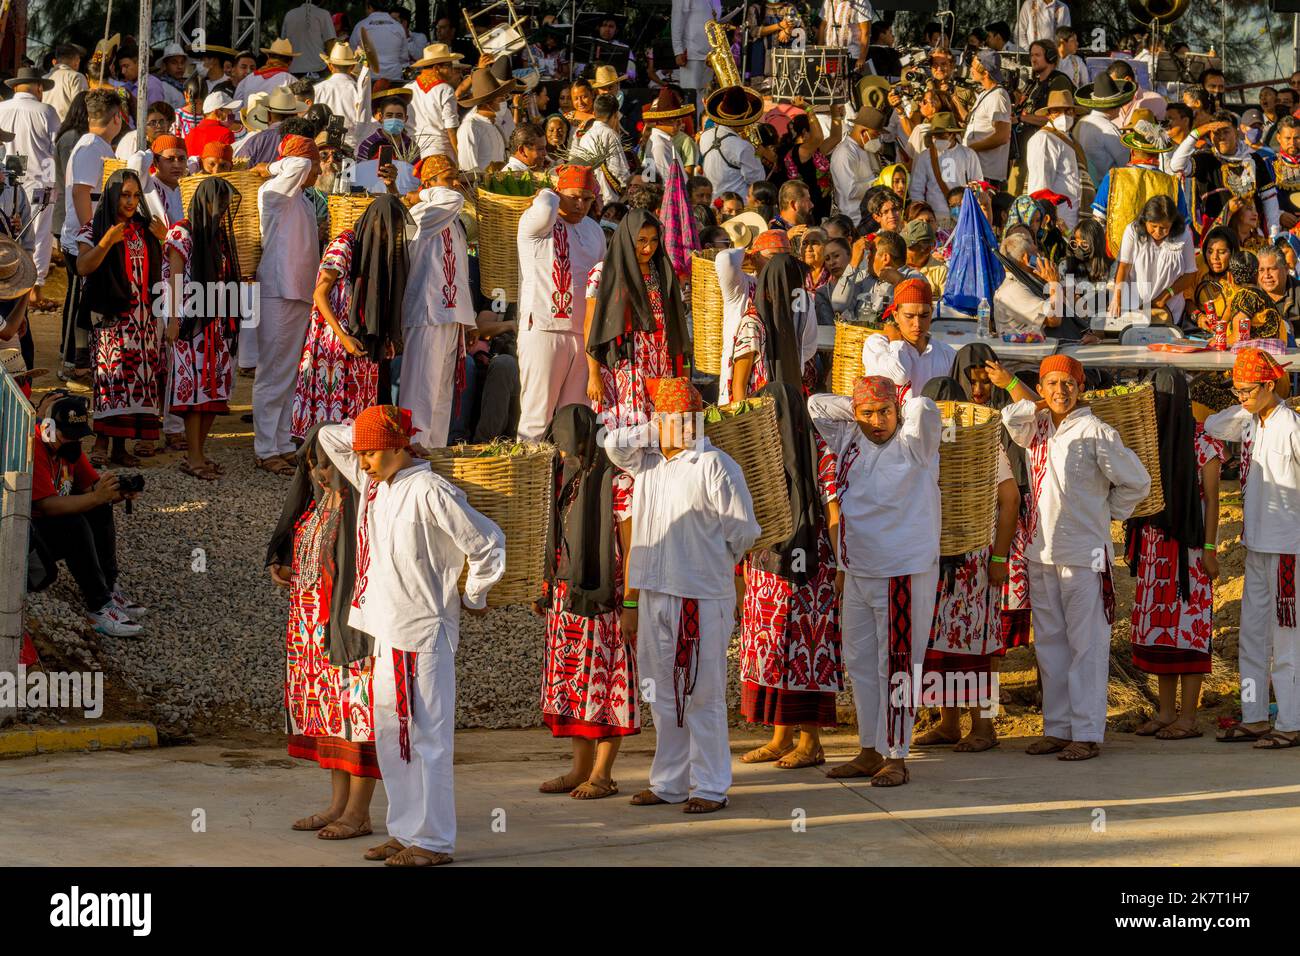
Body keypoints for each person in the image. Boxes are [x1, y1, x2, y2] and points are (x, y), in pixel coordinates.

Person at [315, 405, 505, 865]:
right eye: (361, 454)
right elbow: (327, 436)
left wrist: (473, 596)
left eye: (372, 453)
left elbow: (487, 543)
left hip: (425, 630)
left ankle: (435, 842)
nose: (362, 463)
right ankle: (403, 832)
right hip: (386, 629)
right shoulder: (376, 485)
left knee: (430, 740)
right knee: (391, 736)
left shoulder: (430, 489)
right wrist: (371, 435)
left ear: (400, 448)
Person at [603, 377, 760, 812]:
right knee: (661, 691)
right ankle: (669, 782)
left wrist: (703, 558)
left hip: (700, 595)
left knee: (701, 692)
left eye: (692, 418)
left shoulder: (715, 465)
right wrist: (654, 431)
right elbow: (613, 445)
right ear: (658, 421)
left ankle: (710, 786)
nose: (687, 427)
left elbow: (742, 532)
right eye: (676, 419)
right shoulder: (647, 462)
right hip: (654, 591)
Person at [1000, 355, 1150, 761]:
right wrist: (1037, 403)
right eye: (1051, 384)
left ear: (1080, 388)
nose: (1060, 391)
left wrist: (1106, 511)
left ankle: (1086, 732)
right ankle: (1058, 727)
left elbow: (1137, 481)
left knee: (1087, 645)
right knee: (1050, 644)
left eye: (1068, 384)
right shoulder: (1038, 428)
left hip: (1085, 554)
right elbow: (1011, 417)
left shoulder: (1098, 431)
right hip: (1041, 551)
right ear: (1042, 389)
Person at [809, 376, 941, 785]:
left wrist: (894, 398)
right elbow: (816, 404)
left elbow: (924, 408)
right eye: (868, 413)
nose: (877, 420)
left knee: (897, 666)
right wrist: (861, 407)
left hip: (901, 571)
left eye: (885, 412)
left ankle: (897, 755)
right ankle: (869, 749)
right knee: (861, 665)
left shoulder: (915, 442)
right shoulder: (849, 438)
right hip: (857, 569)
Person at [267, 425, 379, 839]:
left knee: (359, 715)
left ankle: (359, 812)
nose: (320, 473)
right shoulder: (318, 506)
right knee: (331, 716)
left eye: (330, 464)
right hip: (312, 633)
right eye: (315, 464)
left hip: (349, 628)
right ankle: (337, 805)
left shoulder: (362, 507)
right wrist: (286, 566)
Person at [535, 404, 638, 799]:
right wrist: (544, 586)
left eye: (566, 444)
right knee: (574, 684)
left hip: (605, 601)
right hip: (566, 599)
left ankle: (603, 774)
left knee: (606, 683)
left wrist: (631, 604)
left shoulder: (618, 482)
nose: (561, 452)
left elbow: (632, 550)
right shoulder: (562, 481)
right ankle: (579, 769)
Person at [913, 375, 1018, 752]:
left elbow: (1010, 501)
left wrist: (1000, 556)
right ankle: (949, 723)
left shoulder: (985, 447)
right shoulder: (919, 445)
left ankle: (984, 727)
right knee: (939, 645)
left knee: (974, 647)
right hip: (931, 559)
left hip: (973, 560)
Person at [1203, 348, 1300, 747]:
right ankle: (1255, 715)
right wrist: (1248, 407)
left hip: (1287, 548)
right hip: (1256, 544)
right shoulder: (1251, 422)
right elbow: (1212, 423)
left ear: (1268, 385)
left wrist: (1261, 403)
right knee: (1252, 636)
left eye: (1247, 390)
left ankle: (1291, 723)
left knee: (1286, 639)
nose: (1240, 397)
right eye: (1237, 391)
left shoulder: (1291, 425)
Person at [1125, 370, 1222, 741]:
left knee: (1189, 631)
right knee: (1160, 631)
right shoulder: (1146, 443)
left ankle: (1189, 716)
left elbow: (1212, 498)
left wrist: (1211, 549)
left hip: (1192, 552)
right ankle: (1166, 712)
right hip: (1154, 550)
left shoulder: (1204, 442)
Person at [293, 194, 409, 441]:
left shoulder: (379, 253)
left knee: (355, 415)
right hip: (332, 347)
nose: (390, 235)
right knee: (328, 412)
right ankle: (318, 468)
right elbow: (320, 294)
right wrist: (343, 336)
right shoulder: (345, 243)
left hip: (361, 348)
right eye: (388, 228)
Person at [30, 393, 145, 638]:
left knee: (98, 508)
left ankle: (108, 585)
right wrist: (95, 497)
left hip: (45, 527)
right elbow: (47, 506)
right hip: (27, 536)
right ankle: (99, 605)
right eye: (67, 435)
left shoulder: (69, 446)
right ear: (48, 428)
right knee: (74, 522)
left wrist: (116, 493)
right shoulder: (34, 445)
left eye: (77, 435)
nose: (72, 440)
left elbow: (92, 488)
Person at [74, 169, 165, 467]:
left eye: (135, 195)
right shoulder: (94, 229)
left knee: (134, 382)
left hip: (143, 320)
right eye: (125, 194)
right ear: (112, 194)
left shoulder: (143, 229)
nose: (130, 201)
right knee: (110, 381)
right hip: (112, 319)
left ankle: (119, 448)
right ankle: (100, 443)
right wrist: (107, 242)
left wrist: (164, 241)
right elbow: (83, 267)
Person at [516, 165, 606, 441]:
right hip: (543, 329)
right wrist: (550, 190)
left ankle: (566, 482)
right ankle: (527, 482)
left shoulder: (594, 230)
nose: (581, 205)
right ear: (557, 193)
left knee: (575, 420)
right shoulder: (537, 222)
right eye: (574, 197)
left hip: (582, 334)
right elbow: (544, 206)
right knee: (536, 419)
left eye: (588, 199)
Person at [162, 178, 243, 480]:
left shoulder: (216, 234)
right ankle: (193, 456)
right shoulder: (182, 231)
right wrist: (171, 320)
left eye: (225, 204)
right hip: (189, 324)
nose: (223, 210)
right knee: (194, 392)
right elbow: (174, 279)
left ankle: (199, 452)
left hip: (217, 324)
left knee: (213, 391)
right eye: (219, 203)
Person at [254, 134, 321, 475]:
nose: (319, 170)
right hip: (278, 290)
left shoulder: (304, 199)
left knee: (289, 374)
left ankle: (280, 442)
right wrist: (273, 166)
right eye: (317, 162)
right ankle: (265, 448)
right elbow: (299, 163)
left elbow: (303, 165)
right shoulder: (273, 193)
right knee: (273, 372)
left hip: (298, 292)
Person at [399, 156, 472, 446]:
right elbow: (452, 197)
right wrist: (423, 193)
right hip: (427, 314)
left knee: (441, 399)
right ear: (428, 183)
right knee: (420, 397)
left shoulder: (450, 217)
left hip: (450, 315)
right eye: (447, 177)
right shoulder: (423, 213)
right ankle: (412, 458)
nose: (455, 184)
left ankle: (435, 459)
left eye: (456, 177)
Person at [59, 89, 122, 375]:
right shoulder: (90, 147)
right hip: (82, 236)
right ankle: (71, 360)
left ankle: (81, 358)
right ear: (117, 118)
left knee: (85, 299)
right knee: (76, 300)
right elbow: (81, 192)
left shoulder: (98, 145)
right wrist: (90, 233)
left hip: (91, 231)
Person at [0, 67, 60, 312]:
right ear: (37, 87)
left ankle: (10, 281)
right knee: (38, 233)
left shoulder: (1, 108)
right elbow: (55, 146)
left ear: (16, 87)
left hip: (5, 179)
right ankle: (34, 289)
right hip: (39, 179)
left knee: (8, 231)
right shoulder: (46, 111)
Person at [862, 277, 955, 399]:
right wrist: (896, 341)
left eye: (924, 316)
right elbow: (899, 376)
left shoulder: (947, 353)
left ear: (931, 313)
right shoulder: (877, 345)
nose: (917, 323)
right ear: (896, 315)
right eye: (909, 316)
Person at [1024, 89, 1083, 230]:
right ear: (1049, 115)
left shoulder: (1069, 139)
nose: (1064, 116)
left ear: (1074, 114)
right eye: (1057, 111)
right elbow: (1040, 187)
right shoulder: (1044, 139)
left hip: (1072, 216)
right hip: (1058, 219)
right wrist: (1046, 222)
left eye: (1068, 111)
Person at [907, 113, 981, 225]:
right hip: (934, 217)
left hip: (962, 214)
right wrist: (923, 216)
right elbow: (916, 189)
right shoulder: (925, 156)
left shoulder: (968, 154)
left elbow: (978, 184)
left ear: (953, 134)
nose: (937, 139)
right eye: (935, 136)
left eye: (942, 136)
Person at [699, 86, 767, 201]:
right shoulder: (743, 147)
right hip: (736, 206)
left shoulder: (705, 136)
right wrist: (757, 155)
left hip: (711, 202)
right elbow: (757, 180)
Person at [408, 43, 466, 161]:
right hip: (441, 152)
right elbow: (451, 129)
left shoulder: (408, 88)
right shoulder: (445, 89)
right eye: (449, 66)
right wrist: (460, 159)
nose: (451, 69)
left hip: (414, 153)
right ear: (437, 69)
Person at [963, 53, 1013, 187]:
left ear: (985, 73)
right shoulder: (985, 93)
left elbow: (1002, 136)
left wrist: (970, 149)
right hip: (977, 172)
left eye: (973, 66)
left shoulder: (998, 96)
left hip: (987, 176)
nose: (970, 70)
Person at [831, 106, 885, 229]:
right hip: (856, 221)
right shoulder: (845, 153)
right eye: (875, 135)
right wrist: (878, 182)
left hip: (872, 216)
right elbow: (850, 191)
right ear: (863, 132)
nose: (877, 139)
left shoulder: (867, 148)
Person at [456, 67, 513, 174]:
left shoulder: (494, 125)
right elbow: (469, 167)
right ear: (488, 103)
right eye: (500, 99)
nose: (504, 101)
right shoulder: (470, 127)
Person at [569, 96, 627, 200]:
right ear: (615, 114)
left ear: (594, 114)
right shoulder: (610, 134)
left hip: (590, 194)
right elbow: (619, 170)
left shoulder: (586, 136)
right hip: (608, 196)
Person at [671, 0, 719, 94]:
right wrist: (678, 50)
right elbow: (677, 19)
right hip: (691, 53)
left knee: (706, 95)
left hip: (710, 53)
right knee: (690, 94)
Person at [283, 0, 339, 75]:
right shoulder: (323, 14)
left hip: (293, 70)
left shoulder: (289, 15)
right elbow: (330, 43)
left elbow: (283, 44)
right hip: (318, 69)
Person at [235, 38, 299, 104]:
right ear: (290, 61)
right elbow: (300, 106)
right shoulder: (291, 81)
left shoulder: (247, 79)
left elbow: (236, 107)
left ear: (268, 57)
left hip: (248, 114)